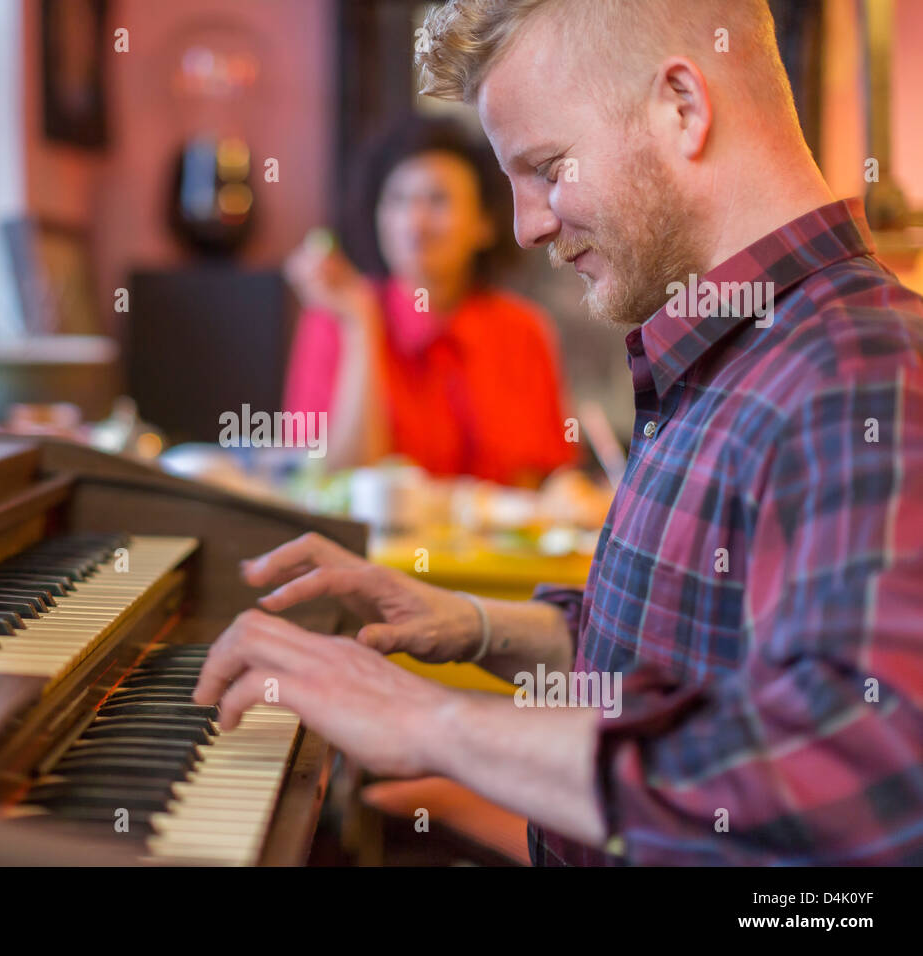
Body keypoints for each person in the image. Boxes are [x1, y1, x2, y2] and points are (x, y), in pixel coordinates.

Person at [195, 0, 923, 865]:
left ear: (682, 106)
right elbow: (688, 660)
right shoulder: (738, 346)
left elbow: (868, 791)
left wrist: (427, 720)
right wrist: (473, 625)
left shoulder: (861, 370)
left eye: (547, 168)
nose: (525, 225)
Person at [282, 114, 578, 487]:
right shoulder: (335, 319)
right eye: (398, 200)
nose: (414, 224)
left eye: (437, 201)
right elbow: (335, 487)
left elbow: (535, 483)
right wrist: (361, 327)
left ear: (484, 223)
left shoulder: (522, 330)